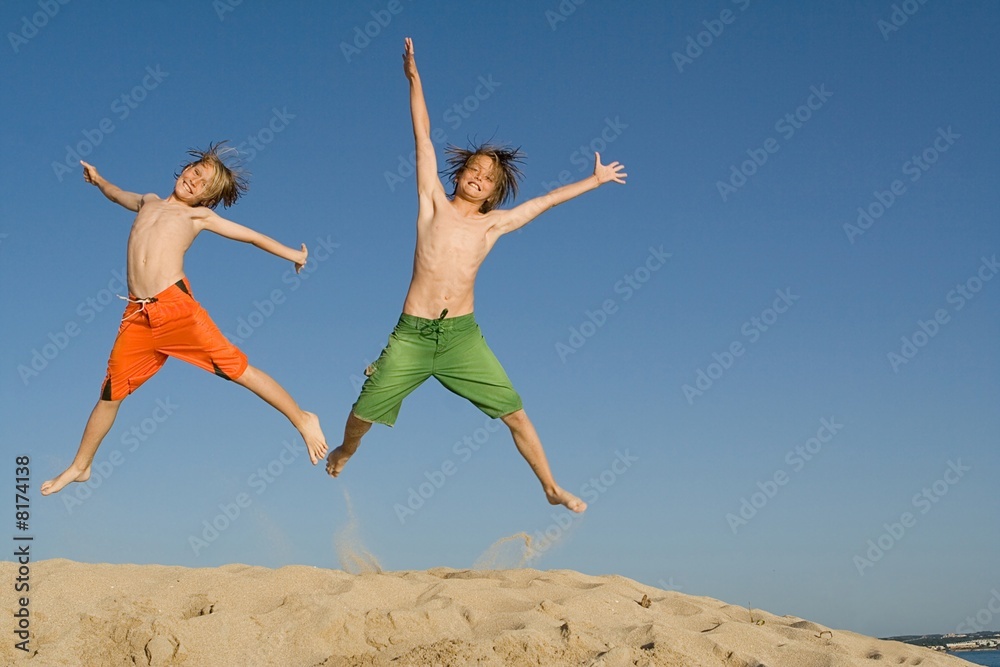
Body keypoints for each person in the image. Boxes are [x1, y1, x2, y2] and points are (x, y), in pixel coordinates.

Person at [325, 38, 627, 513]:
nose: (478, 176)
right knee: (362, 413)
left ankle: (550, 486)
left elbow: (542, 203)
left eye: (487, 177)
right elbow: (423, 138)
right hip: (413, 334)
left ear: (493, 193)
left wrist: (593, 180)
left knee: (517, 415)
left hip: (462, 338)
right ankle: (347, 450)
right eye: (473, 169)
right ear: (460, 174)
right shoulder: (432, 206)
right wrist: (414, 79)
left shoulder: (493, 225)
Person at [41, 143, 328, 496]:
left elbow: (250, 236)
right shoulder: (148, 201)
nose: (194, 181)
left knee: (237, 370)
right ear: (184, 168)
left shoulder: (197, 217)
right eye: (195, 172)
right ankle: (81, 466)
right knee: (110, 393)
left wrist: (293, 255)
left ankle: (302, 419)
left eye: (203, 184)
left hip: (177, 311)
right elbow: (117, 196)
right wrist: (99, 181)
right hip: (137, 314)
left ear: (207, 198)